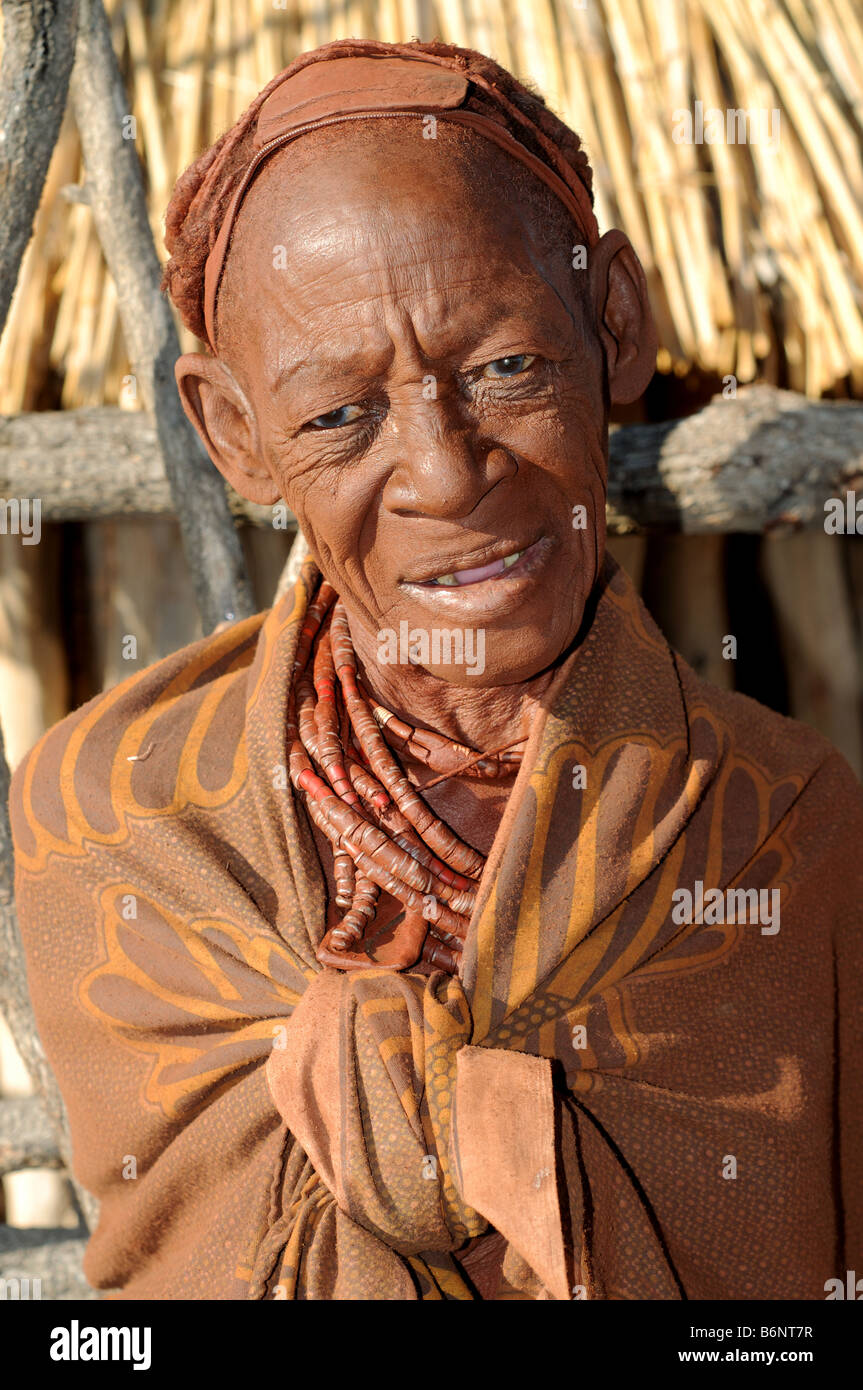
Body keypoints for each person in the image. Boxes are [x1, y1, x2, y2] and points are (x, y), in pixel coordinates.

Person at [10, 37, 863, 1300]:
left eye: (503, 368)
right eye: (338, 414)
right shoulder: (117, 820)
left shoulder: (780, 829)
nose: (446, 473)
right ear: (233, 432)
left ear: (612, 321)